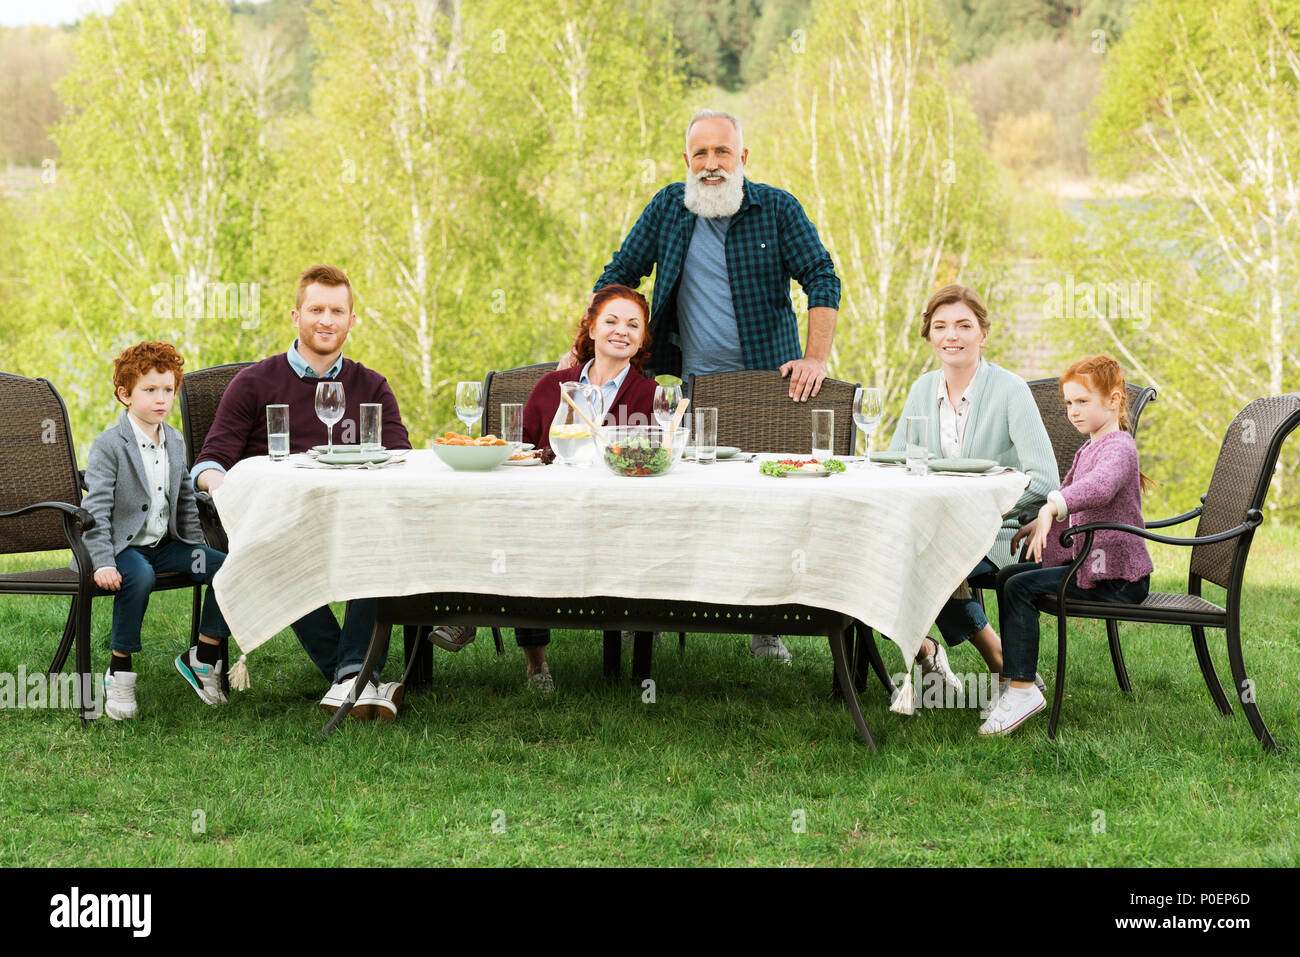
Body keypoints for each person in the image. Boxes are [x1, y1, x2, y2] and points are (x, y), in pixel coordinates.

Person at [587, 109, 842, 662]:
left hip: (766, 386)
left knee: (768, 507)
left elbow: (823, 275)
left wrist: (815, 359)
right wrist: (598, 340)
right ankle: (641, 609)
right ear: (686, 162)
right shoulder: (667, 208)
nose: (711, 164)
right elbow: (616, 275)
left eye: (722, 152)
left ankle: (766, 623)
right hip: (689, 388)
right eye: (700, 154)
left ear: (742, 158)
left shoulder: (776, 209)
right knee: (662, 501)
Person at [192, 264, 464, 721]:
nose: (326, 320)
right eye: (316, 309)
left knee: (373, 541)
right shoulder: (255, 382)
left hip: (356, 520)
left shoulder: (371, 384)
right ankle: (360, 677)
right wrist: (226, 489)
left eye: (337, 311)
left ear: (351, 321)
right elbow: (208, 463)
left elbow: (399, 457)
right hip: (283, 524)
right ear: (295, 316)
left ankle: (349, 679)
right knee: (284, 554)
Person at [886, 284, 1059, 702]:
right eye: (941, 326)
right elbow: (896, 464)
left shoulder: (1011, 390)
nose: (952, 336)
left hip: (1002, 532)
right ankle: (930, 649)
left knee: (930, 555)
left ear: (983, 333)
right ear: (929, 335)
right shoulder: (921, 389)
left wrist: (982, 509)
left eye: (964, 325)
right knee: (889, 547)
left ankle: (991, 657)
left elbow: (1046, 480)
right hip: (936, 527)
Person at [981, 355, 1154, 735]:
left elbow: (1097, 488)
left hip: (1118, 580)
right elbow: (1066, 493)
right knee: (1009, 575)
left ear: (1113, 400)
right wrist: (1039, 522)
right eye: (1069, 403)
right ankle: (1020, 679)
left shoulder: (1119, 447)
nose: (1073, 411)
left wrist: (1052, 508)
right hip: (1093, 567)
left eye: (1083, 402)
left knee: (1022, 587)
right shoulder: (1089, 448)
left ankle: (1023, 690)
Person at [516, 285, 659, 692]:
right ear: (591, 328)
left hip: (617, 519)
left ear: (642, 338)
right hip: (548, 513)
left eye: (634, 325)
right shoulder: (552, 386)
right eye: (611, 321)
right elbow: (522, 452)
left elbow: (655, 461)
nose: (622, 331)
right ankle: (535, 665)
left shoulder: (650, 395)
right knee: (523, 532)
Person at [82, 341, 232, 720]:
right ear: (125, 394)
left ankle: (203, 657)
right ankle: (119, 671)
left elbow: (184, 500)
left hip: (168, 544)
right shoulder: (108, 445)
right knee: (142, 576)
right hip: (123, 549)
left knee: (228, 569)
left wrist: (198, 548)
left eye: (168, 389)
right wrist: (101, 562)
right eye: (150, 390)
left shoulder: (176, 440)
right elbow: (95, 510)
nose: (161, 398)